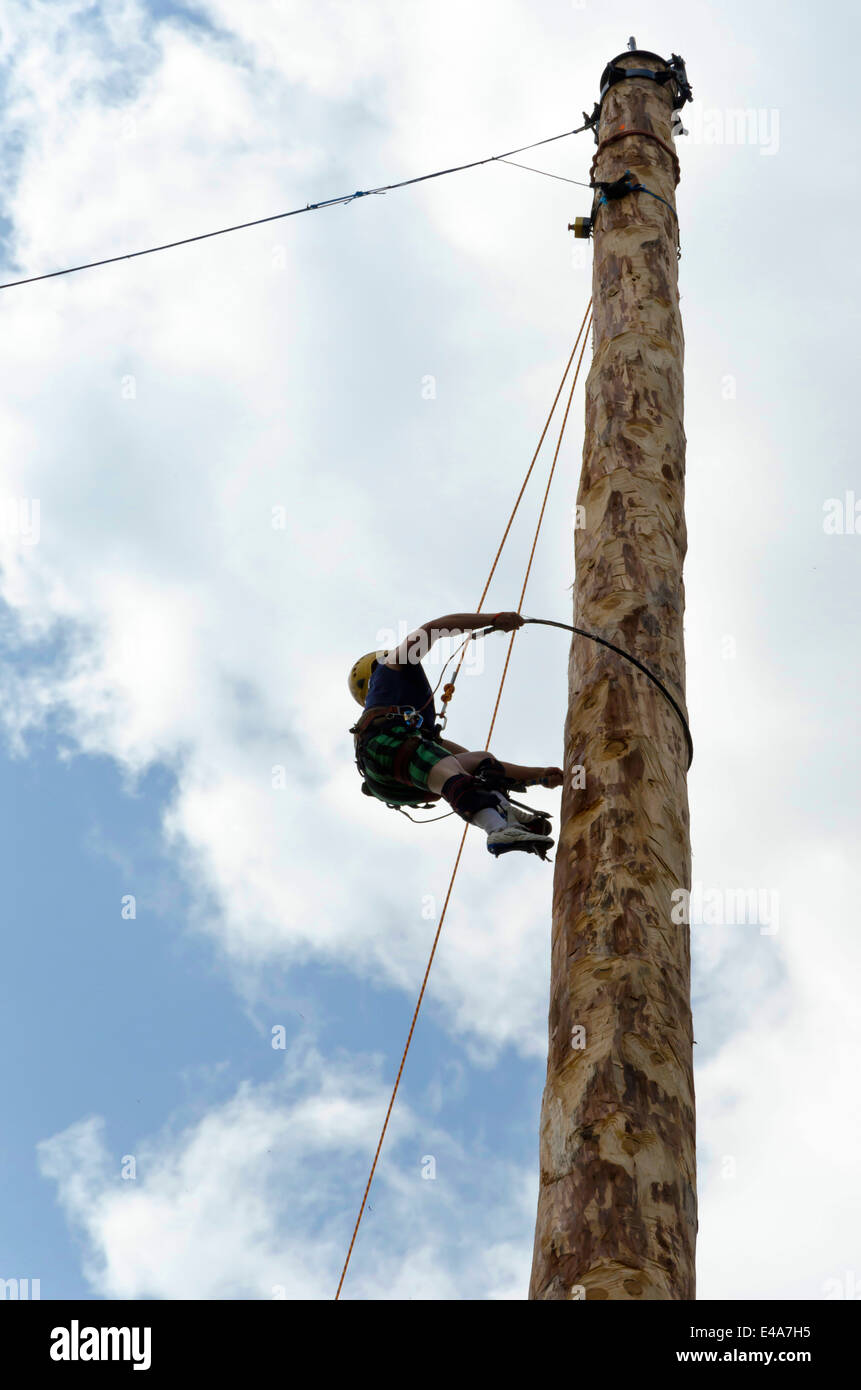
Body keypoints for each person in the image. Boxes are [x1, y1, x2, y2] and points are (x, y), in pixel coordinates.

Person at [348, 612, 563, 857]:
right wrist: (494, 620)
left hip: (400, 778)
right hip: (390, 754)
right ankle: (497, 829)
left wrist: (540, 776)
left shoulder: (415, 731)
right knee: (447, 765)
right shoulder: (389, 667)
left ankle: (504, 812)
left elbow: (475, 760)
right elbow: (434, 628)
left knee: (483, 762)